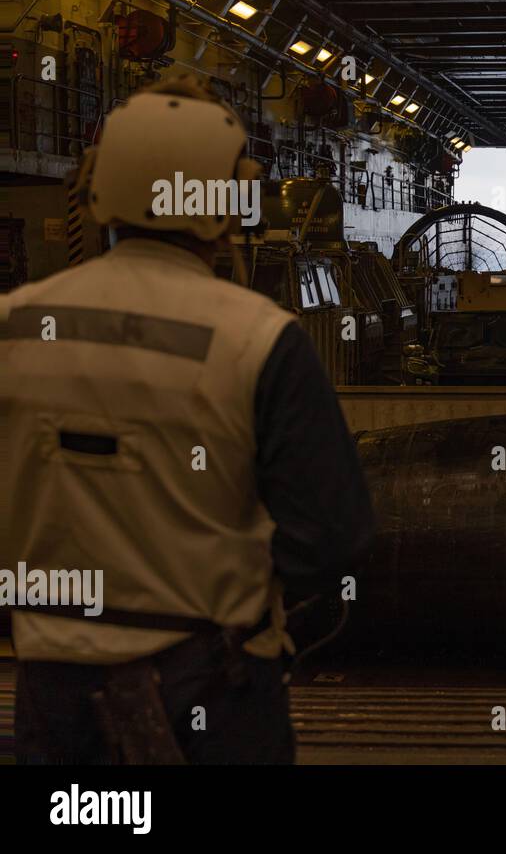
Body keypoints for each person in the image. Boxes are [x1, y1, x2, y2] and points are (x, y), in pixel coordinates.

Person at [0, 75, 375, 763]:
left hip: (54, 691)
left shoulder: (14, 325)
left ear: (96, 184)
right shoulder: (260, 339)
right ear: (230, 197)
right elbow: (333, 535)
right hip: (210, 687)